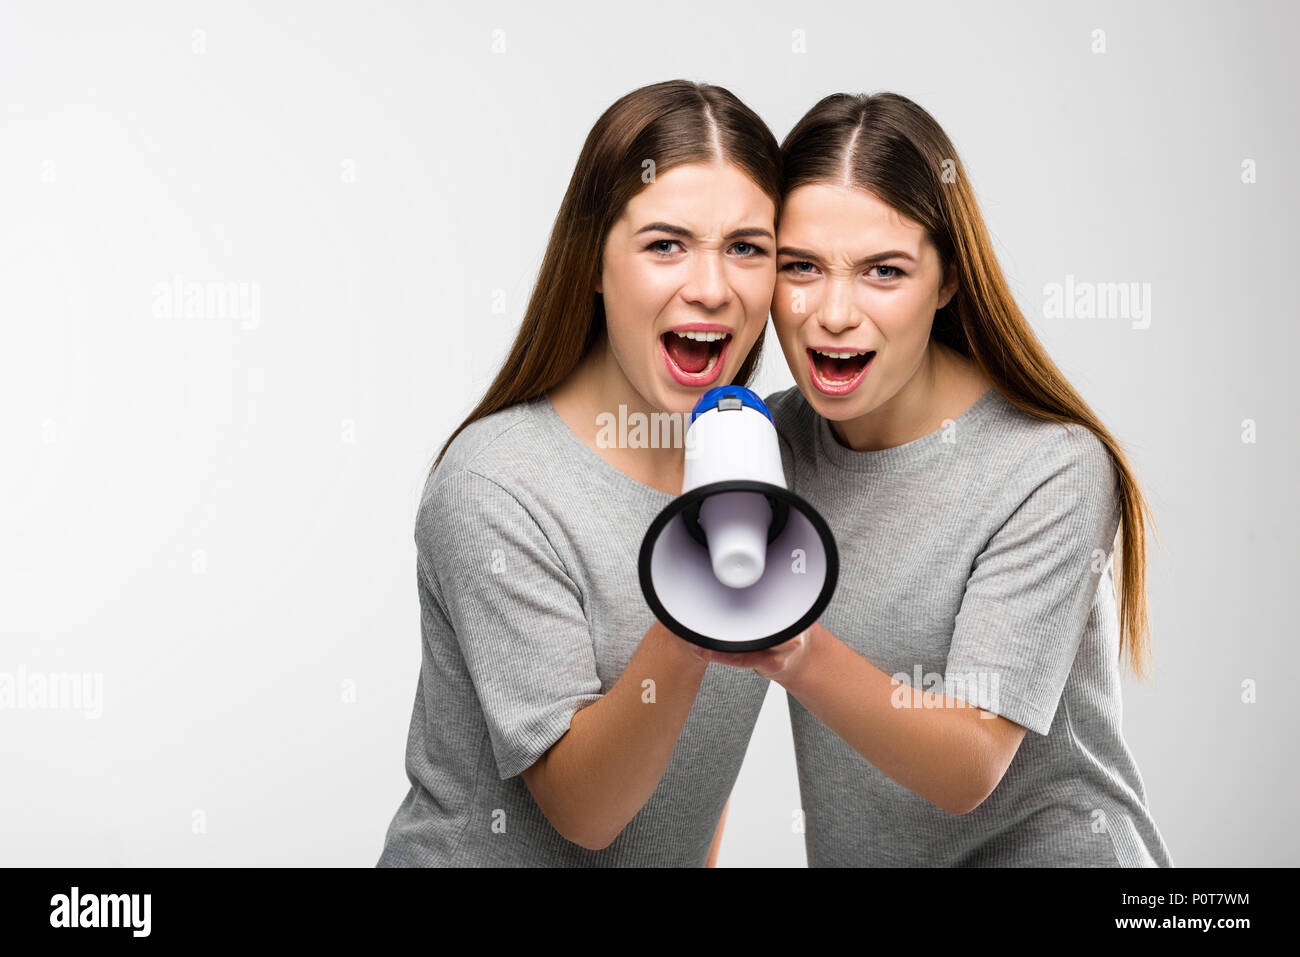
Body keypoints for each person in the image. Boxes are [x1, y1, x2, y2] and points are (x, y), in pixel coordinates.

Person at [702, 91, 1174, 867]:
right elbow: (706, 724)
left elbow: (969, 762)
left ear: (948, 279)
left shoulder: (1049, 466)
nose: (834, 312)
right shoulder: (761, 445)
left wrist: (794, 650)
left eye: (884, 271)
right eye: (801, 268)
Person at [376, 79, 782, 866]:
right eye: (666, 244)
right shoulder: (497, 486)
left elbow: (698, 774)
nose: (711, 286)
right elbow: (587, 810)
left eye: (746, 248)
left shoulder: (761, 459)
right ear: (594, 263)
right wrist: (701, 592)